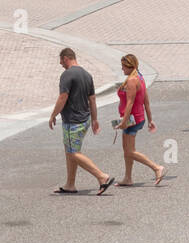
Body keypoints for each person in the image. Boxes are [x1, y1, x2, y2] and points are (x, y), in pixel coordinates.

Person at [49, 47, 114, 195]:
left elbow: (62, 97)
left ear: (66, 58)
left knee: (72, 153)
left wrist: (53, 115)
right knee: (70, 151)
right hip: (84, 119)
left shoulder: (67, 75)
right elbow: (92, 99)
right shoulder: (87, 75)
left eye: (61, 61)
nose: (61, 64)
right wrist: (95, 119)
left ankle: (101, 176)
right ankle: (70, 184)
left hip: (73, 121)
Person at [114, 53, 164, 186]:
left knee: (130, 151)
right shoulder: (139, 77)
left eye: (123, 66)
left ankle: (156, 168)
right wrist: (150, 119)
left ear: (130, 66)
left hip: (132, 119)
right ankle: (128, 178)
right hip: (137, 117)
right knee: (127, 150)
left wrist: (124, 121)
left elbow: (130, 103)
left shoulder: (131, 81)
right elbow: (146, 101)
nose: (122, 69)